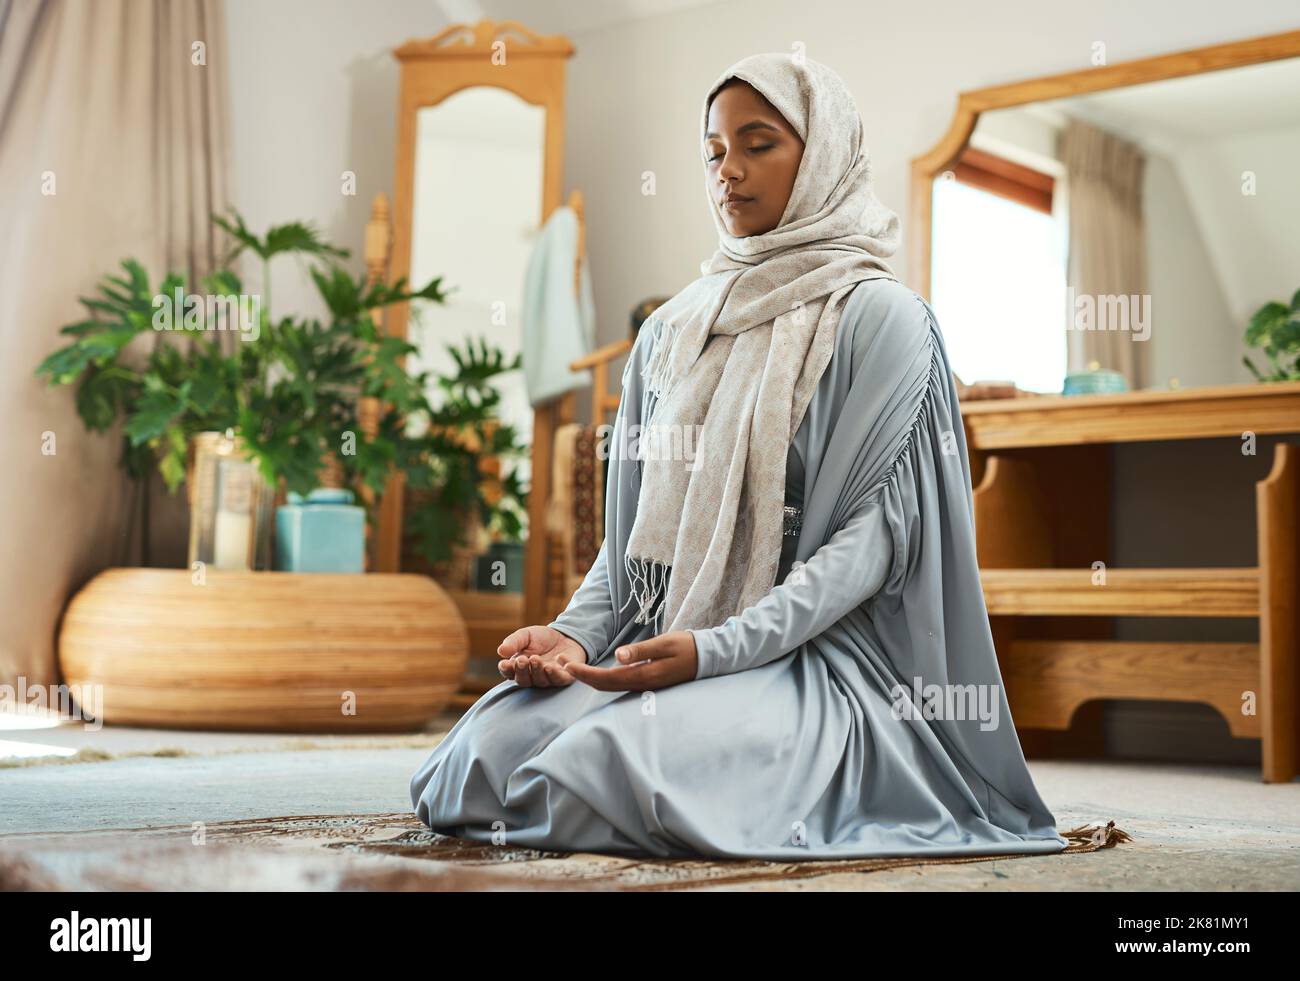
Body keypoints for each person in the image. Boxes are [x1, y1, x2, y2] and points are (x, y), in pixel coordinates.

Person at [409, 52, 1070, 860]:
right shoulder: (670, 332)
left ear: (824, 152)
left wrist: (716, 651)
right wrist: (578, 638)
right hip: (666, 643)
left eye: (759, 143)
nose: (730, 171)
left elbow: (870, 547)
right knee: (471, 765)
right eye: (715, 152)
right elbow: (638, 545)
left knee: (602, 769)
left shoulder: (887, 322)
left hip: (821, 663)